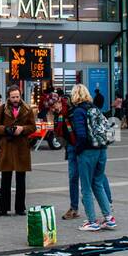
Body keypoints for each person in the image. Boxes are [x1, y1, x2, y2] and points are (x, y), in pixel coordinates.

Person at [69, 83, 114, 230]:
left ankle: (92, 221)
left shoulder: (78, 111)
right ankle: (108, 217)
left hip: (88, 152)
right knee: (98, 183)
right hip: (102, 149)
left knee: (86, 187)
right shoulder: (95, 108)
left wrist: (77, 150)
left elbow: (81, 135)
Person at [0, 84, 34, 217]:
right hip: (7, 146)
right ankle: (3, 208)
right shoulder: (2, 109)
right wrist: (6, 129)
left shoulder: (27, 109)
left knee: (21, 179)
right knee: (6, 178)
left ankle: (20, 208)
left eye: (17, 96)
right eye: (13, 97)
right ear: (8, 97)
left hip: (21, 146)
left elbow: (33, 127)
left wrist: (23, 129)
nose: (15, 99)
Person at [55, 90, 81, 220]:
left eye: (59, 102)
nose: (57, 105)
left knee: (88, 181)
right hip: (72, 148)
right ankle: (74, 208)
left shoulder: (72, 114)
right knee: (74, 178)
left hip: (79, 149)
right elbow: (59, 133)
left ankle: (105, 210)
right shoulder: (61, 116)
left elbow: (74, 133)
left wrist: (71, 144)